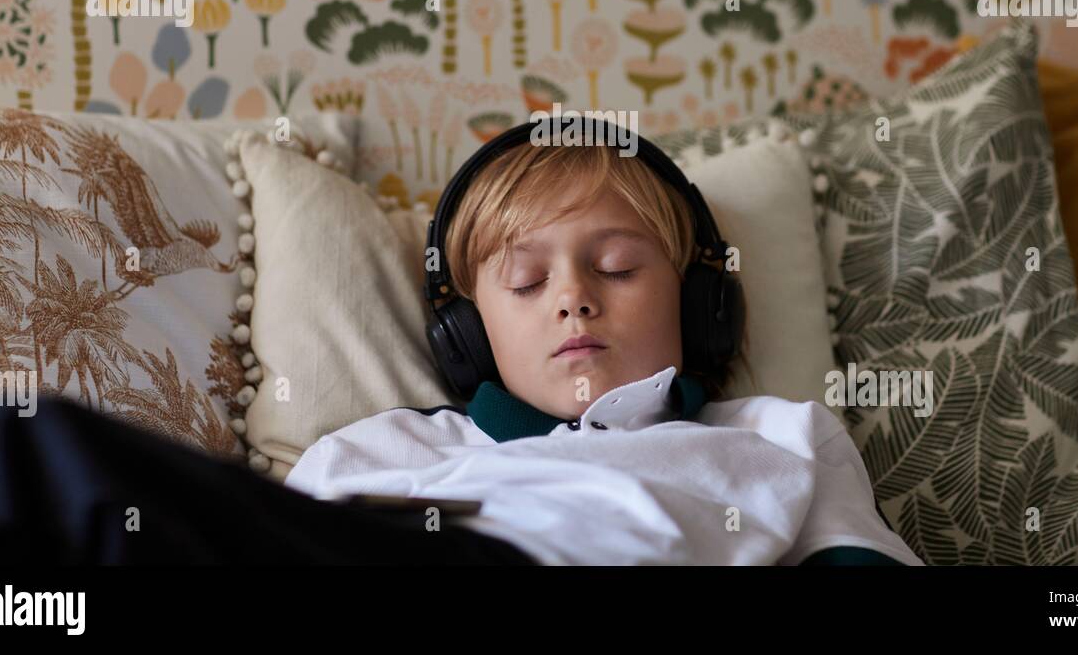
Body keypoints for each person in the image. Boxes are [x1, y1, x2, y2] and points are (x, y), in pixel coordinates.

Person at [284, 120, 922, 566]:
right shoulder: (373, 456)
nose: (572, 298)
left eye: (617, 267)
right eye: (528, 281)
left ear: (700, 305)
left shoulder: (787, 439)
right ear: (468, 337)